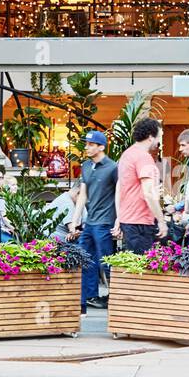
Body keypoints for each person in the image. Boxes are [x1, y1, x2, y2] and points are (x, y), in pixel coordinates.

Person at [69, 130, 118, 311]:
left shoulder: (113, 168)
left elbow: (119, 194)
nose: (87, 147)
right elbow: (83, 195)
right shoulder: (86, 166)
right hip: (90, 223)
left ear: (101, 147)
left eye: (91, 144)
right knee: (84, 260)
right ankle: (85, 301)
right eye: (87, 144)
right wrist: (75, 220)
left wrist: (119, 220)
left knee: (106, 262)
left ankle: (117, 301)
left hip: (105, 222)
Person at [114, 117, 167, 253]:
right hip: (141, 221)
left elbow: (119, 188)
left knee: (134, 268)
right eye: (159, 137)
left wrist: (119, 217)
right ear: (150, 137)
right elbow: (148, 193)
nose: (158, 142)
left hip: (129, 220)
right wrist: (161, 221)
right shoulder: (143, 157)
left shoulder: (126, 155)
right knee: (143, 270)